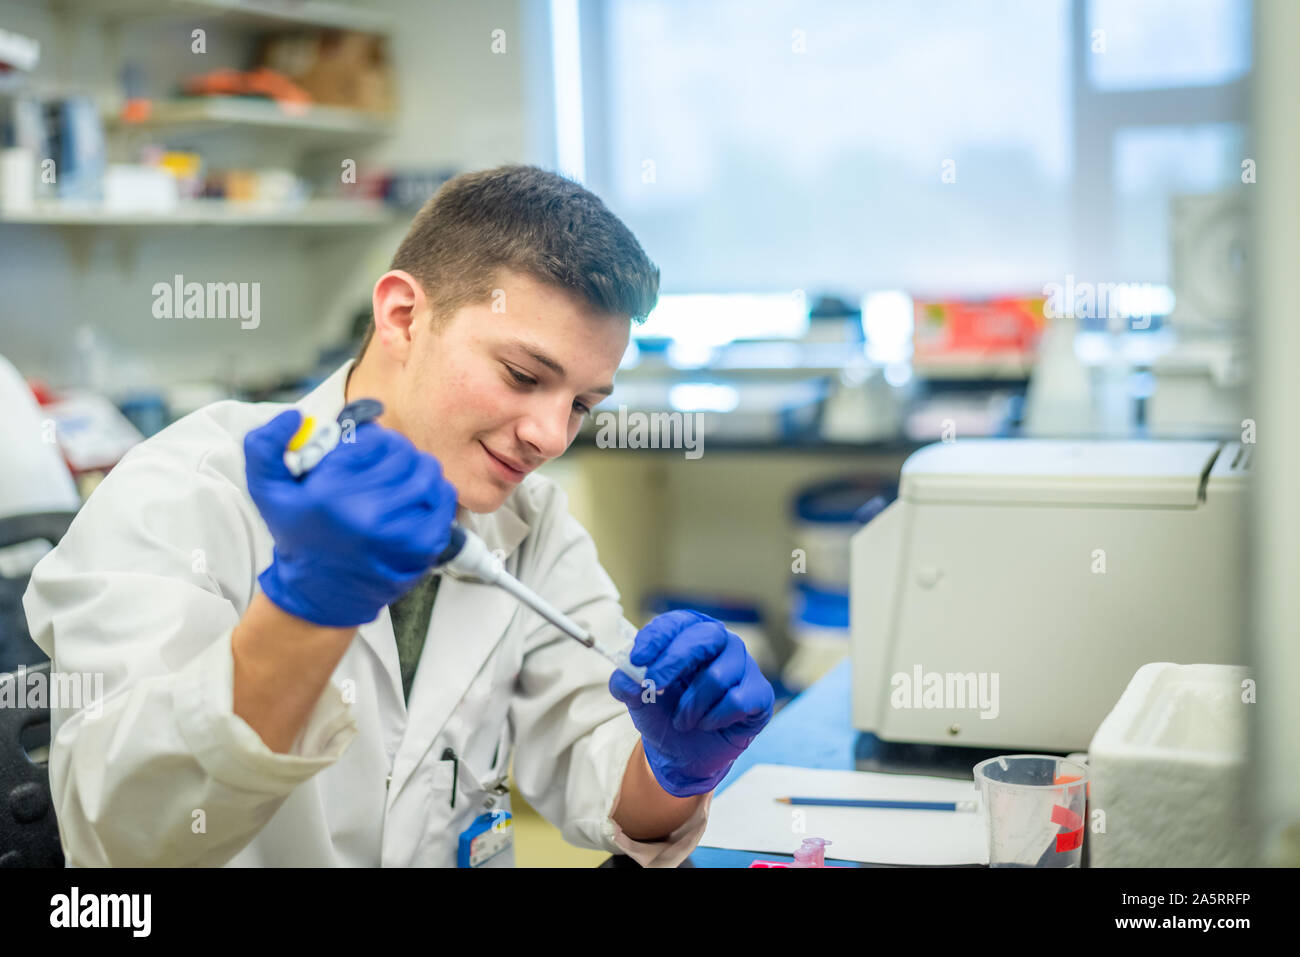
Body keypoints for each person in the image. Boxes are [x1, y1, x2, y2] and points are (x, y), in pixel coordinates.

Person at [23, 164, 774, 867]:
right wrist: (306, 611)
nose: (551, 434)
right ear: (405, 316)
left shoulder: (531, 522)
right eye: (522, 375)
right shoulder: (184, 491)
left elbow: (593, 755)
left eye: (580, 403)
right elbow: (114, 829)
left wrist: (675, 764)